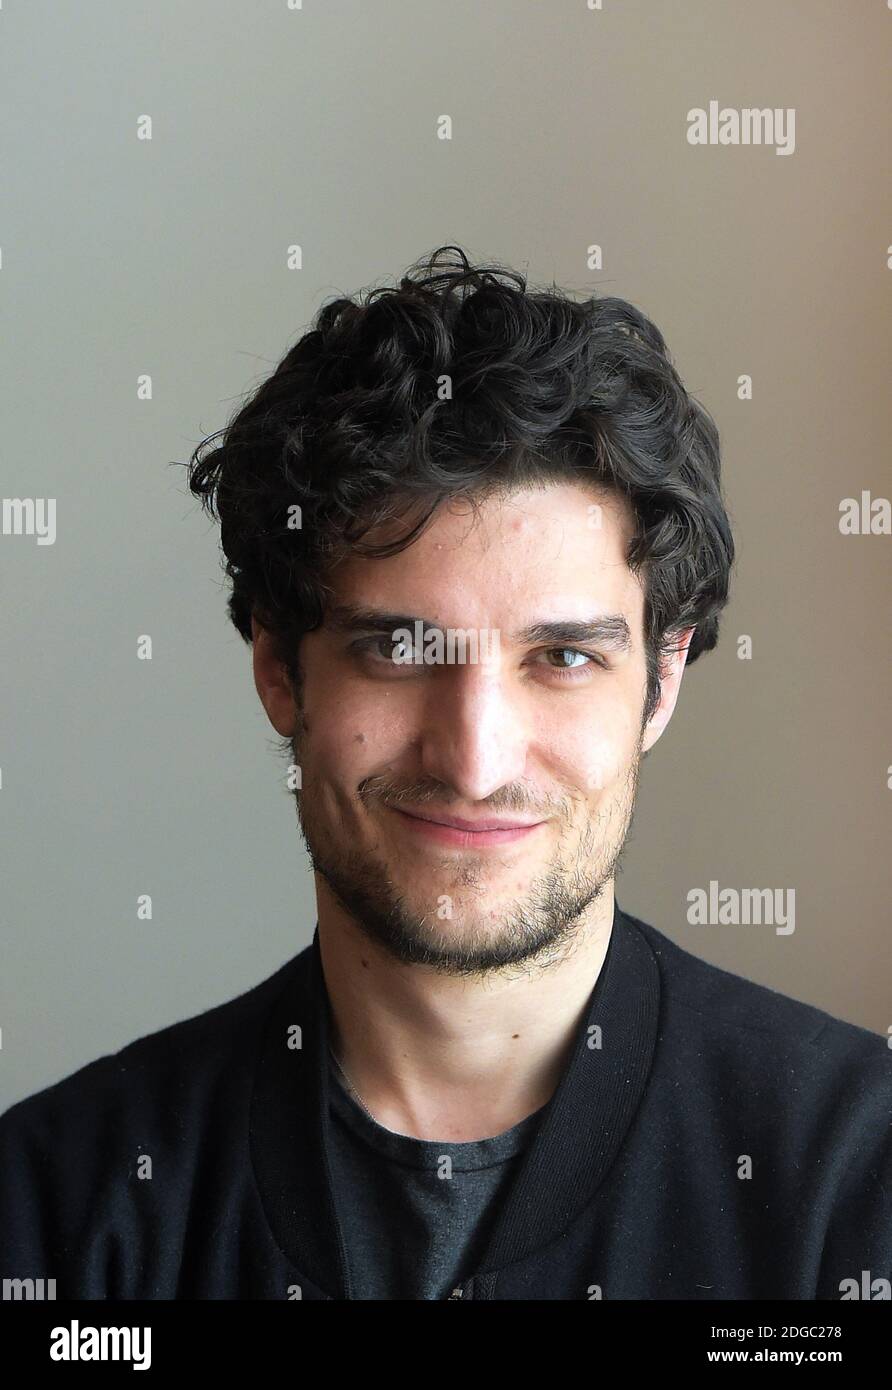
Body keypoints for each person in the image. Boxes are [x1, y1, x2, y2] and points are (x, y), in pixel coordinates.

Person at [2, 247, 889, 1301]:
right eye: (397, 650)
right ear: (281, 672)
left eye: (561, 658)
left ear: (660, 685)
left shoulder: (856, 1177)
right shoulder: (59, 1209)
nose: (474, 759)